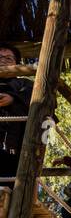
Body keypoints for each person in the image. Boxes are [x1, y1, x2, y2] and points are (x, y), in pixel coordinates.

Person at [0, 46, 33, 184]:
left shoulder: (25, 83)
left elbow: (44, 102)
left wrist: (13, 100)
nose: (3, 61)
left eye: (8, 58)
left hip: (12, 149)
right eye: (0, 57)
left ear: (16, 64)